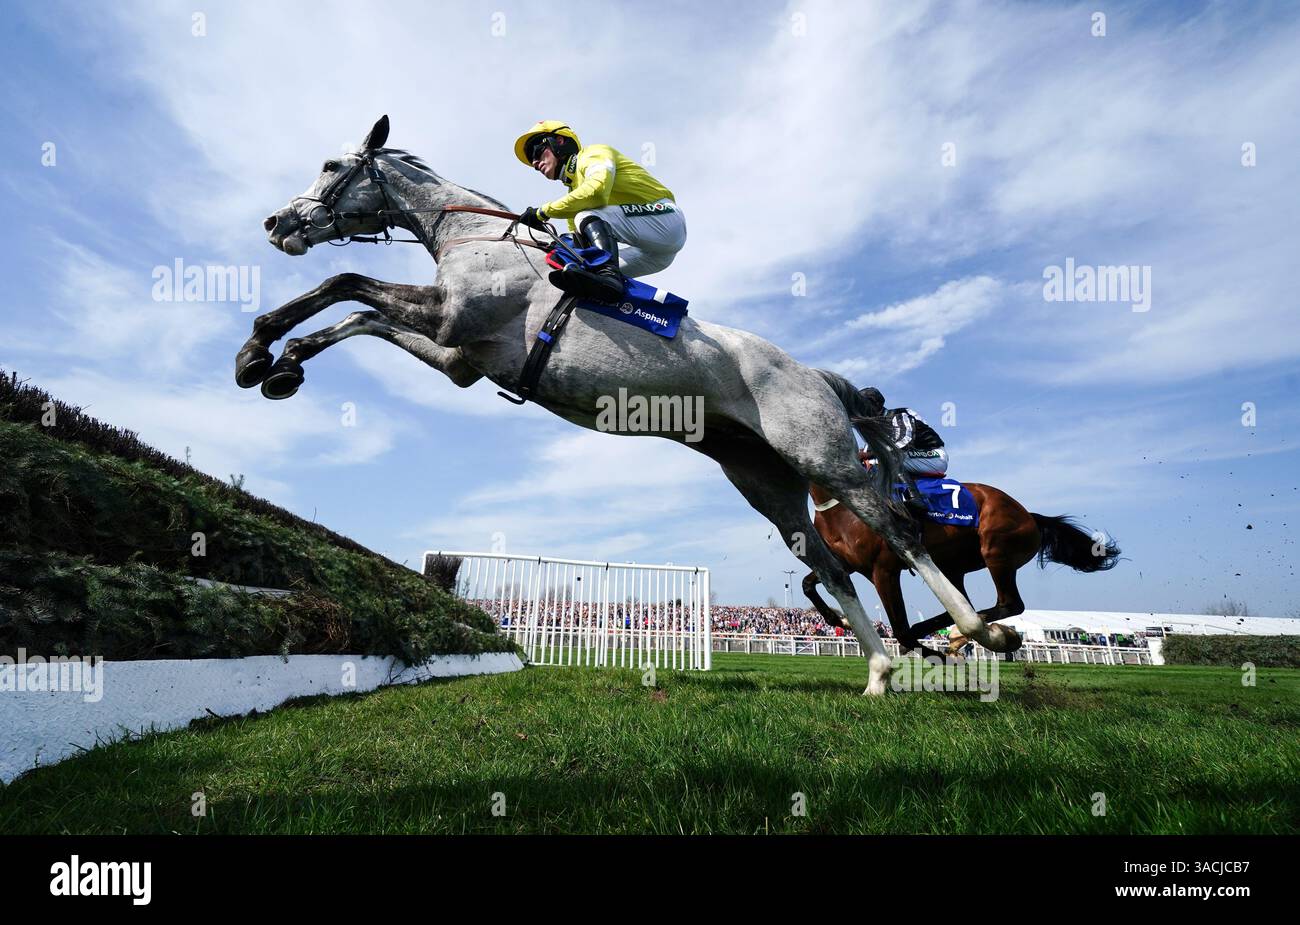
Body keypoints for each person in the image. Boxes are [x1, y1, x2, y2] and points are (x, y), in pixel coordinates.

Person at [513, 121, 687, 302]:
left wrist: (543, 212)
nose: (534, 162)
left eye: (535, 150)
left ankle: (609, 276)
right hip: (656, 255)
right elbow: (579, 242)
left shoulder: (592, 154)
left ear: (559, 141)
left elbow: (596, 192)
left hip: (666, 218)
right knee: (582, 269)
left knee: (586, 217)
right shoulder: (574, 192)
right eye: (531, 159)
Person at [857, 387, 948, 515]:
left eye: (861, 405)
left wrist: (866, 455)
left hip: (933, 456)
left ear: (876, 404)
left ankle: (914, 498)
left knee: (890, 457)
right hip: (910, 457)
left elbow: (902, 444)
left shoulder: (900, 415)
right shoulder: (875, 428)